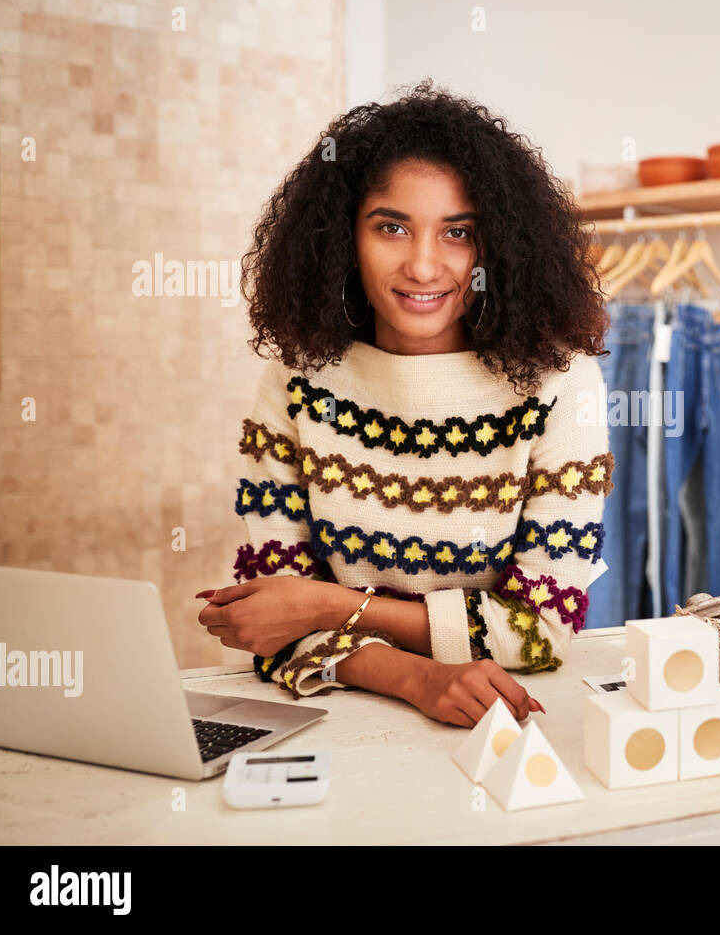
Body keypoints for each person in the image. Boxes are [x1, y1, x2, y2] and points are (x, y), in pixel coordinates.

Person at [193, 79, 613, 728]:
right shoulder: (297, 381)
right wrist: (417, 676)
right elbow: (275, 621)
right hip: (339, 724)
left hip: (508, 729)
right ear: (341, 239)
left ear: (495, 246)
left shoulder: (560, 382)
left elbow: (536, 634)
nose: (422, 265)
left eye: (457, 233)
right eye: (392, 227)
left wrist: (327, 607)